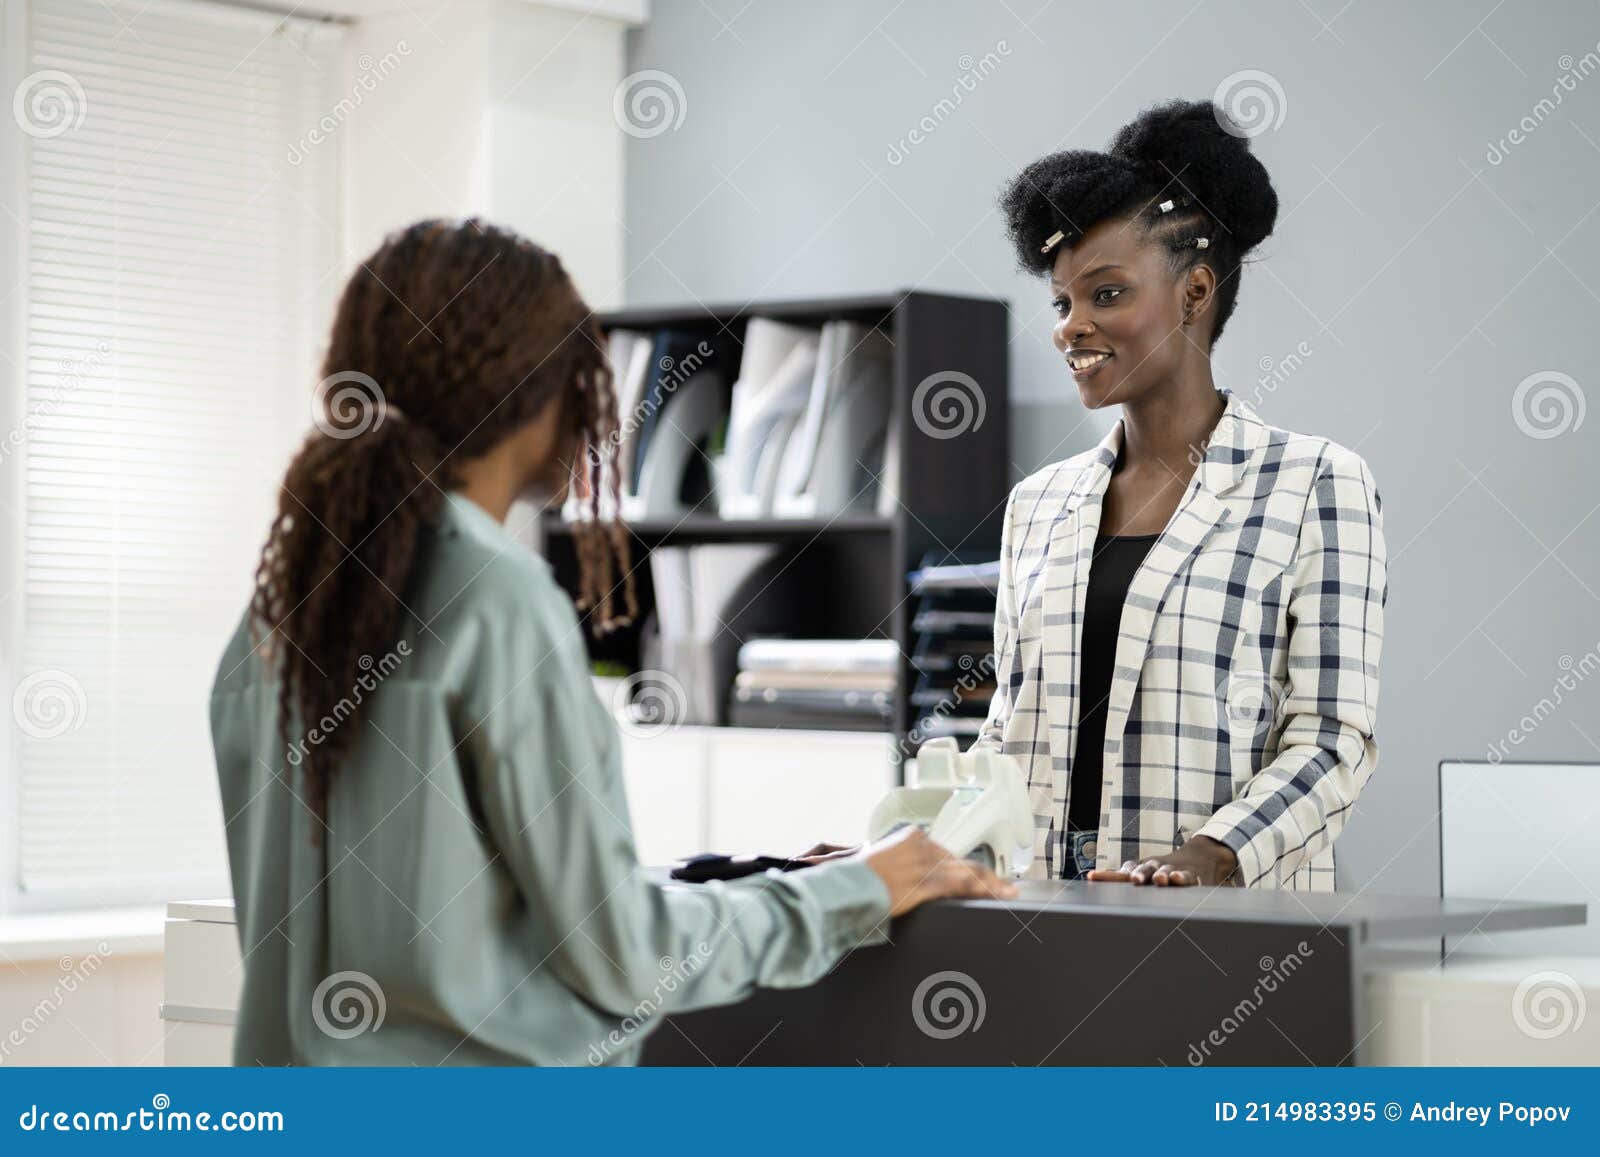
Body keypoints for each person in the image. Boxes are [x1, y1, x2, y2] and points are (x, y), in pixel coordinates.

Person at [210, 218, 1015, 1066]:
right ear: (533, 390)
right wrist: (856, 889)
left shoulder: (283, 604)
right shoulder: (496, 596)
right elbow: (623, 953)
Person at [975, 99, 1388, 890]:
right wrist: (917, 843)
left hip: (1234, 933)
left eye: (1105, 294)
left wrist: (1215, 853)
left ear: (1195, 293)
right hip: (1047, 916)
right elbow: (1005, 734)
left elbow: (1334, 740)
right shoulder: (1038, 505)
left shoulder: (1315, 485)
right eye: (1061, 302)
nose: (1069, 326)